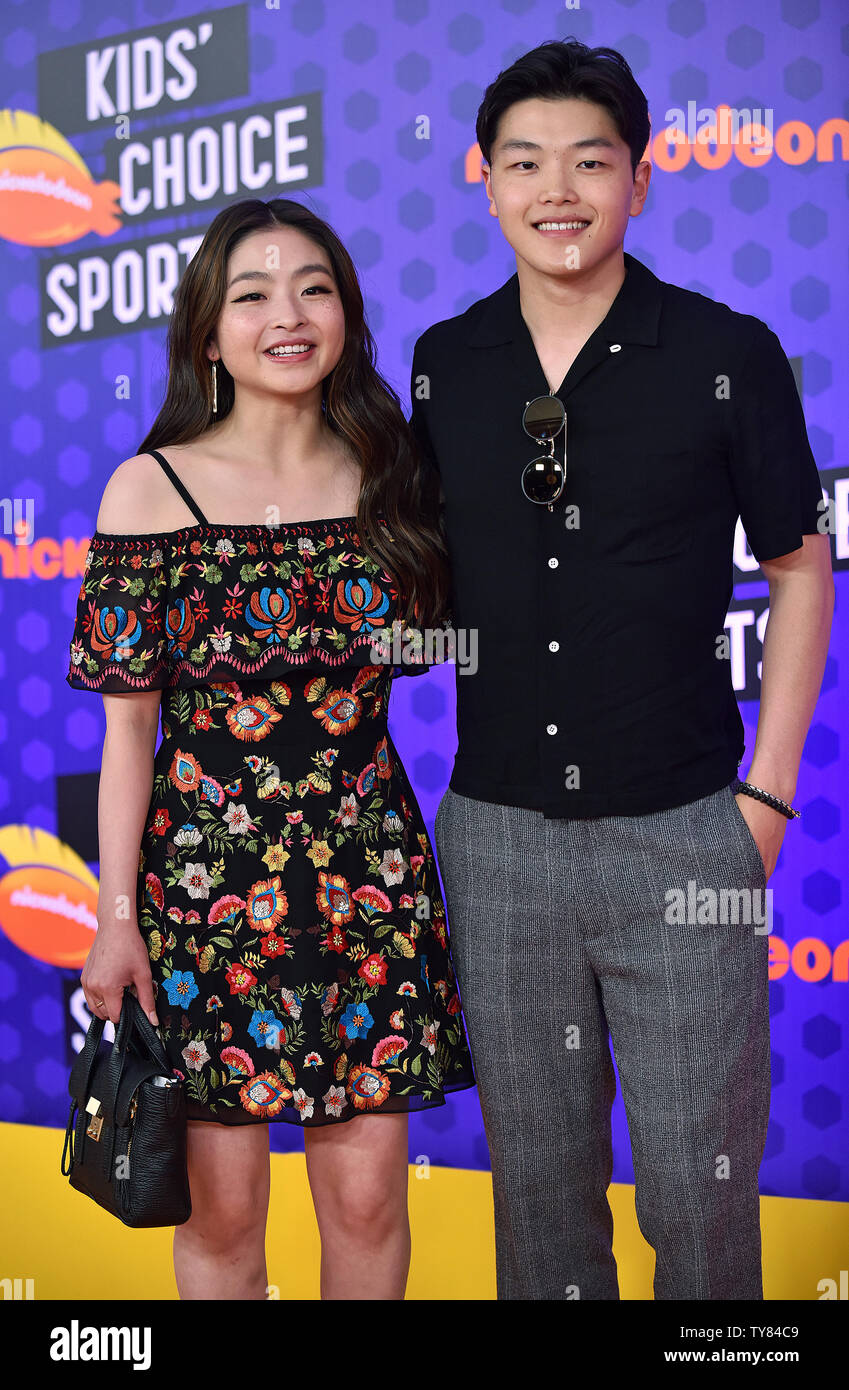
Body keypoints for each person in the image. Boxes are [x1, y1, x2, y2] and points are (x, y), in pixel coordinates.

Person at [410, 39, 834, 1300]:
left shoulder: (727, 351)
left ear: (639, 181)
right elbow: (412, 578)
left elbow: (801, 570)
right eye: (527, 162)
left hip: (685, 833)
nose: (560, 190)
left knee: (701, 1211)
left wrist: (762, 801)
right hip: (495, 841)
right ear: (484, 179)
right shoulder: (445, 363)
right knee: (538, 1215)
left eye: (591, 162)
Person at [66, 196, 476, 1301]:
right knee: (220, 1221)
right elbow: (130, 735)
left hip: (368, 885)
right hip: (202, 896)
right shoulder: (149, 491)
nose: (286, 315)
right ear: (209, 332)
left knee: (367, 1206)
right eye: (251, 294)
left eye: (314, 288)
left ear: (346, 311)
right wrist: (117, 922)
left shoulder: (397, 476)